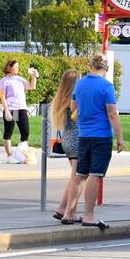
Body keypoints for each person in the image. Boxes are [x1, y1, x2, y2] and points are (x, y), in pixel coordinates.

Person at [65, 53, 124, 230]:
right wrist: (120, 137)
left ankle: (69, 213)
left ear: (90, 66)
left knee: (80, 175)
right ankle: (89, 215)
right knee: (95, 174)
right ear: (105, 69)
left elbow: (73, 108)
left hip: (83, 135)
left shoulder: (80, 84)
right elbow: (112, 113)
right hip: (101, 136)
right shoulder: (106, 86)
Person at [49, 69, 81, 222]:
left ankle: (63, 208)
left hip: (68, 140)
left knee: (74, 178)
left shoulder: (60, 99)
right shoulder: (74, 100)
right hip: (77, 141)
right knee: (78, 179)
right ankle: (69, 211)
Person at [0, 59, 38, 163]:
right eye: (15, 67)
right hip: (11, 109)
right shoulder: (4, 81)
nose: (17, 68)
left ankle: (20, 152)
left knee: (25, 132)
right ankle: (10, 155)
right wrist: (6, 110)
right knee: (9, 132)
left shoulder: (20, 79)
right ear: (9, 68)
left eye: (18, 67)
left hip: (21, 108)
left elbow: (32, 87)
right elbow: (2, 97)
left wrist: (34, 76)